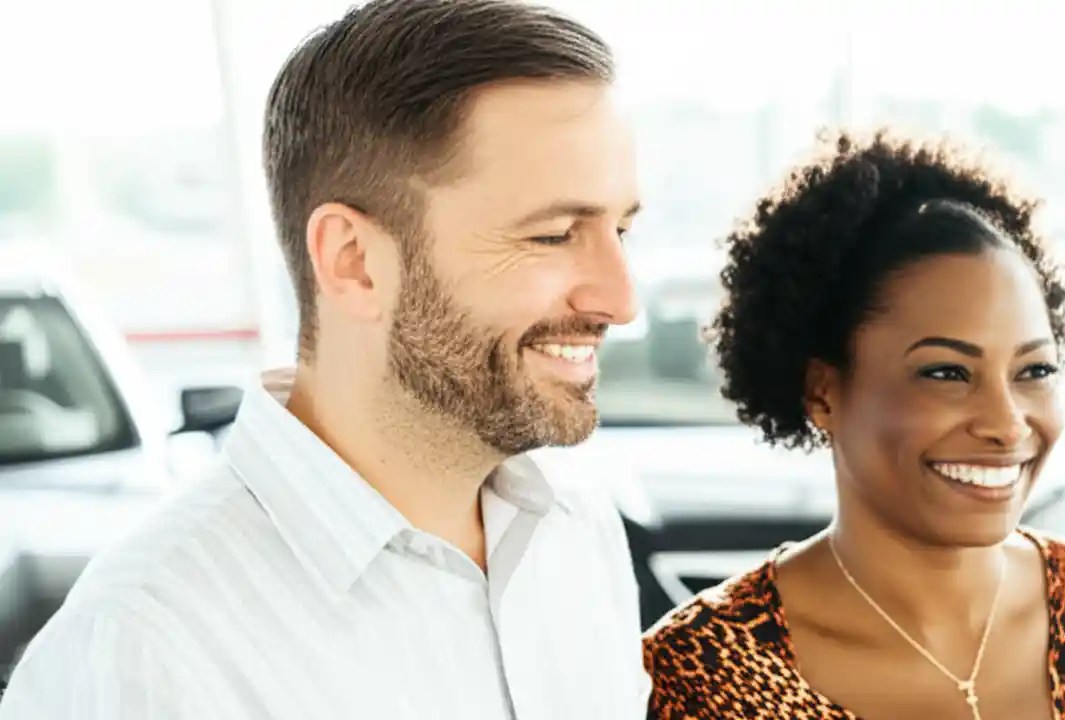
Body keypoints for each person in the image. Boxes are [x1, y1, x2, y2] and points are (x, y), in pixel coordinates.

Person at [0, 1, 649, 718]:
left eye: (619, 229)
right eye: (555, 235)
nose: (621, 300)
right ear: (355, 262)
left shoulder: (578, 530)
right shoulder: (149, 645)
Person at [643, 130, 1065, 719]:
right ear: (823, 391)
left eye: (1035, 369)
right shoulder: (708, 676)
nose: (1006, 423)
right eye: (947, 372)